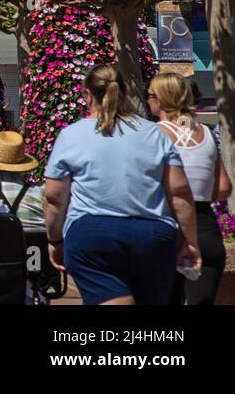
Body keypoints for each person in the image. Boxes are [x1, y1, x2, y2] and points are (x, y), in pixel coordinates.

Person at [43, 64, 200, 306]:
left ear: (87, 95)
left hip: (92, 234)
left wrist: (55, 240)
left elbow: (54, 196)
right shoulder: (153, 133)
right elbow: (179, 192)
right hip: (152, 235)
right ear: (126, 92)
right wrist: (190, 241)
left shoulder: (71, 135)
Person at [147, 73, 230, 304]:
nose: (148, 101)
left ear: (161, 100)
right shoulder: (205, 133)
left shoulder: (153, 134)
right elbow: (223, 187)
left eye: (150, 96)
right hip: (205, 226)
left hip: (166, 223)